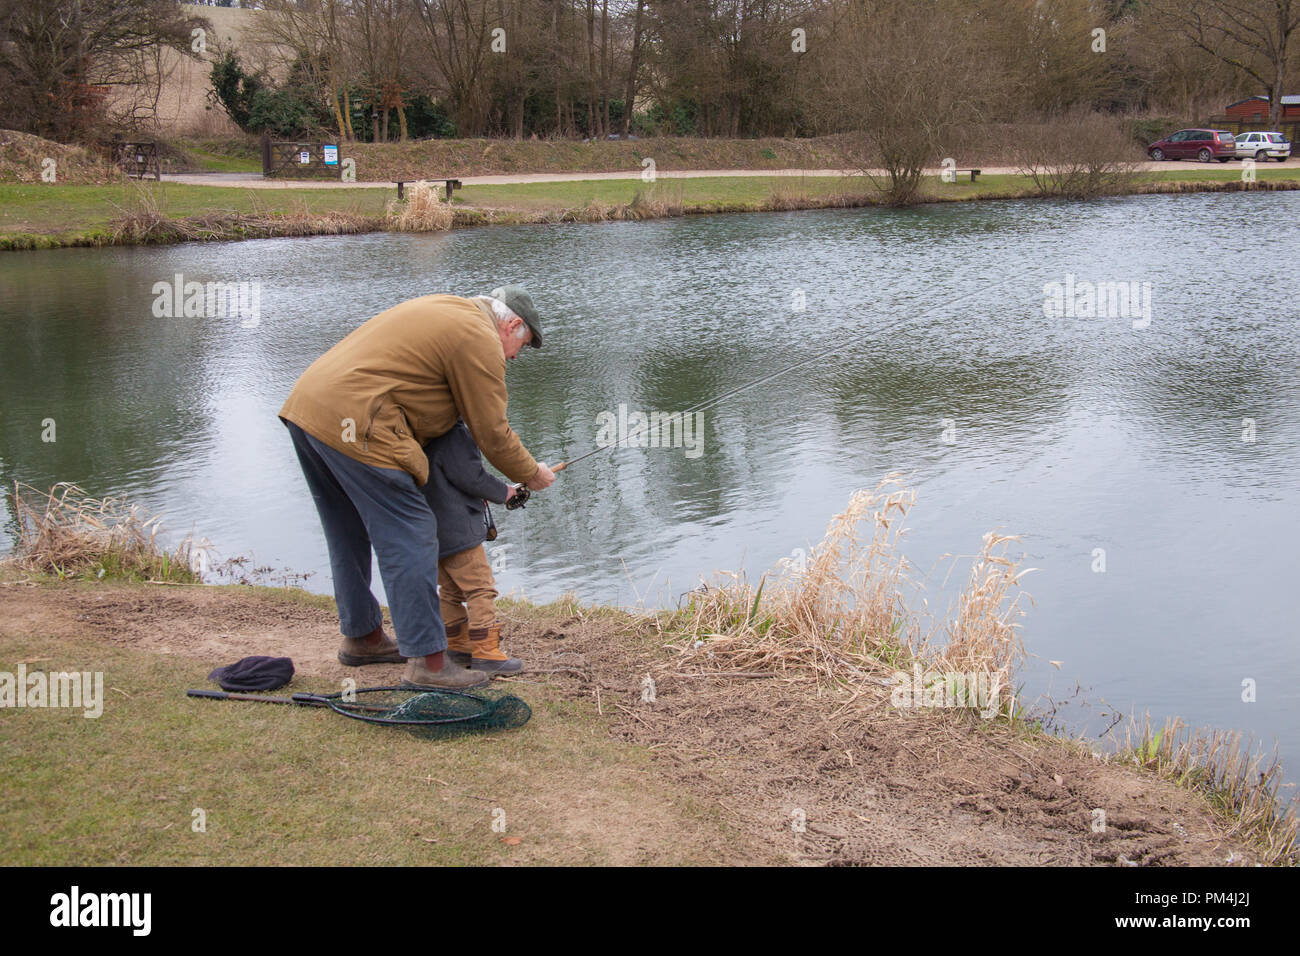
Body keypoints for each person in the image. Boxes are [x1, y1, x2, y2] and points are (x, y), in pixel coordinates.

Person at [278, 286, 555, 690]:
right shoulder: (478, 337)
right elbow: (492, 432)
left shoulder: (446, 308)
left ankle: (364, 638)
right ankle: (430, 664)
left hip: (309, 410)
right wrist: (532, 474)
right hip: (358, 424)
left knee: (347, 533)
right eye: (521, 345)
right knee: (412, 533)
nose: (513, 357)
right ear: (512, 324)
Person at [422, 421, 522, 674]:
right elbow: (471, 477)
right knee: (480, 588)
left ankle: (457, 644)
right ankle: (487, 653)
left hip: (429, 528)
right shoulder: (452, 431)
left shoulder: (419, 428)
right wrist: (506, 492)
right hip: (457, 530)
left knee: (451, 588)